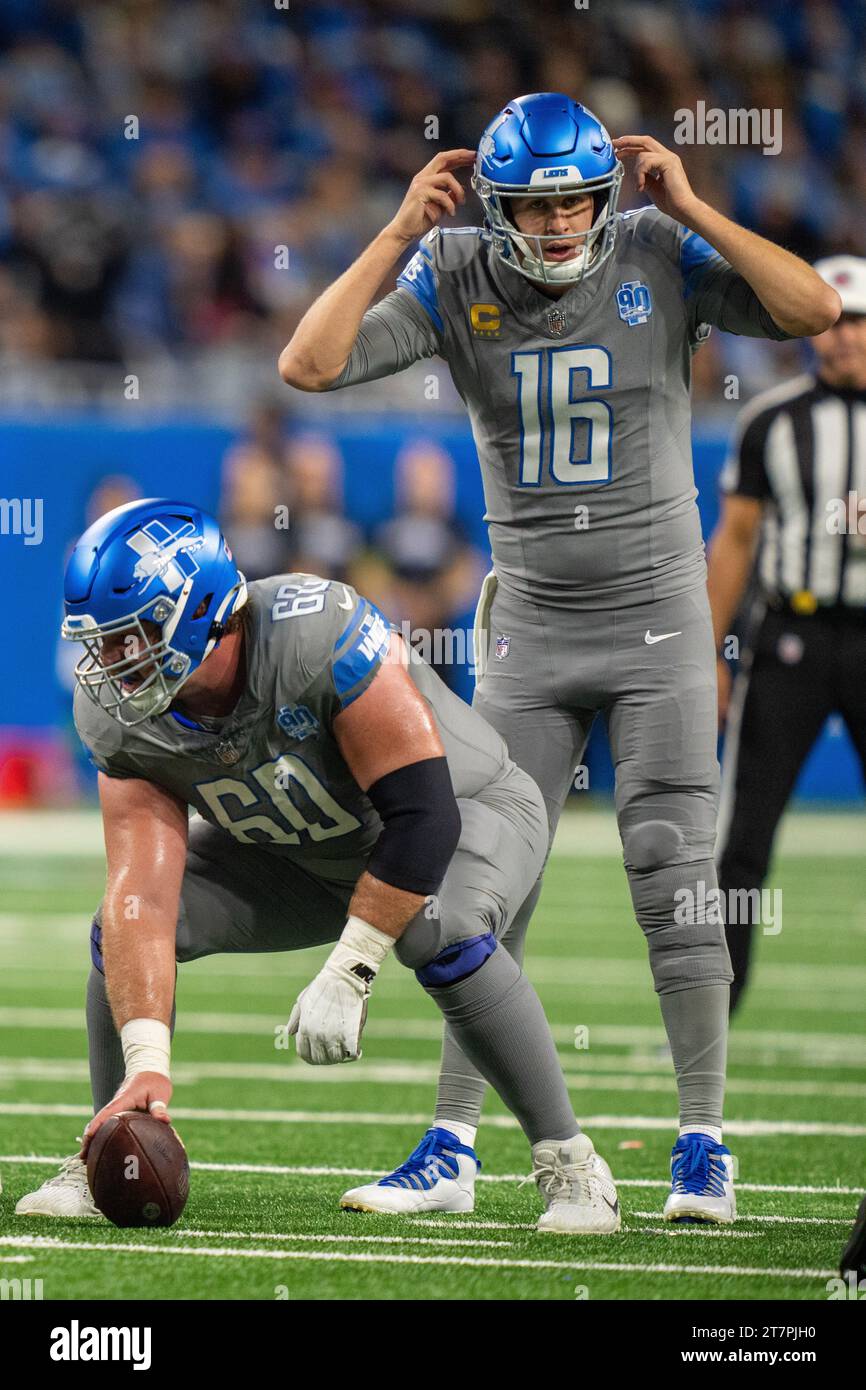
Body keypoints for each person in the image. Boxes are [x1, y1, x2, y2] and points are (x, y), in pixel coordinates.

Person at [279, 92, 839, 1223]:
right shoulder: (449, 267)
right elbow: (309, 362)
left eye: (576, 199)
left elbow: (809, 304)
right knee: (475, 887)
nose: (557, 225)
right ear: (495, 207)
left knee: (673, 876)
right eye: (533, 207)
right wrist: (392, 234)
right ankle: (451, 1145)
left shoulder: (652, 245)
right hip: (529, 624)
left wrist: (691, 203)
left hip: (657, 617)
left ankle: (700, 1147)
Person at [17, 496, 620, 1235]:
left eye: (132, 637)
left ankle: (571, 1163)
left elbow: (423, 817)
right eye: (102, 643)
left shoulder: (315, 633)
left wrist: (352, 966)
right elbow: (140, 891)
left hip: (468, 813)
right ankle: (106, 1142)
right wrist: (149, 1058)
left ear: (200, 606)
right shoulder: (118, 715)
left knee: (444, 928)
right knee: (123, 932)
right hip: (297, 851)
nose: (111, 664)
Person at [709, 256, 866, 1012]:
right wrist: (707, 651)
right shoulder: (771, 419)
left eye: (859, 321)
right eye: (834, 323)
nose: (845, 339)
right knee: (744, 834)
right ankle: (716, 1003)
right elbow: (735, 541)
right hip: (790, 639)